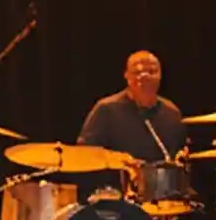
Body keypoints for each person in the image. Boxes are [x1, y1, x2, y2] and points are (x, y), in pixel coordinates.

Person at [76, 50, 189, 197]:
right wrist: (118, 160)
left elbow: (179, 156)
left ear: (160, 76)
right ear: (127, 77)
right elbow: (83, 154)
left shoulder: (172, 113)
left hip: (163, 197)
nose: (144, 75)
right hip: (115, 199)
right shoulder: (107, 109)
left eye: (151, 71)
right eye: (137, 72)